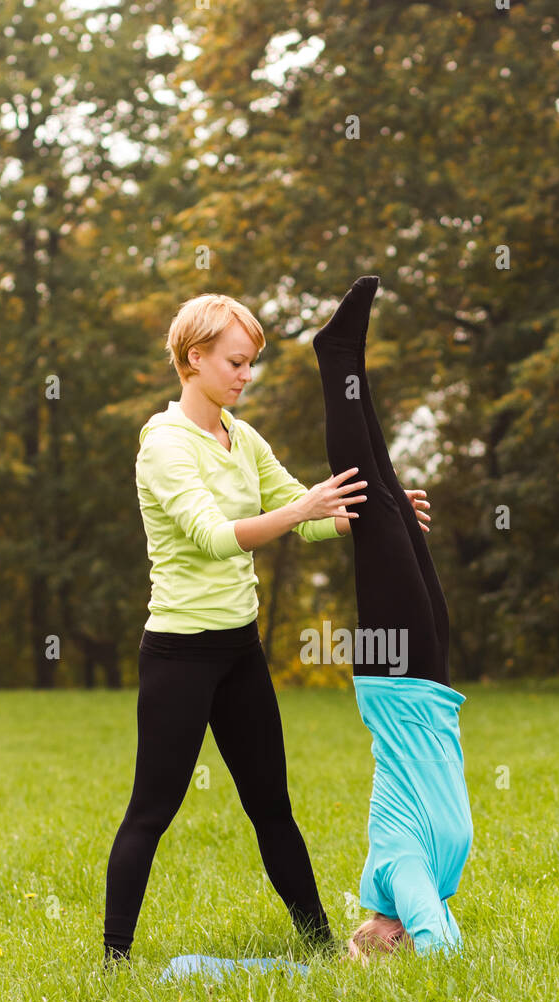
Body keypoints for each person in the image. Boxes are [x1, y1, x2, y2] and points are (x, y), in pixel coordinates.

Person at [103, 293, 381, 963]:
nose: (244, 374)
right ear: (192, 358)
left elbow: (310, 517)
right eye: (235, 361)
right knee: (153, 809)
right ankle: (113, 964)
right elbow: (215, 537)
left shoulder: (241, 436)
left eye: (250, 362)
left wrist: (382, 515)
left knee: (271, 805)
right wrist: (305, 508)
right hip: (179, 655)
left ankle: (319, 949)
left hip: (238, 651)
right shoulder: (166, 446)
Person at [311, 276, 474, 961]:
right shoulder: (427, 889)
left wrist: (424, 959)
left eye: (371, 942)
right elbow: (441, 930)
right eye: (375, 945)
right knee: (390, 504)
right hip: (424, 689)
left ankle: (338, 355)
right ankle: (351, 358)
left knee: (370, 499)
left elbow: (440, 944)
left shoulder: (396, 875)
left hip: (396, 680)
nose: (369, 936)